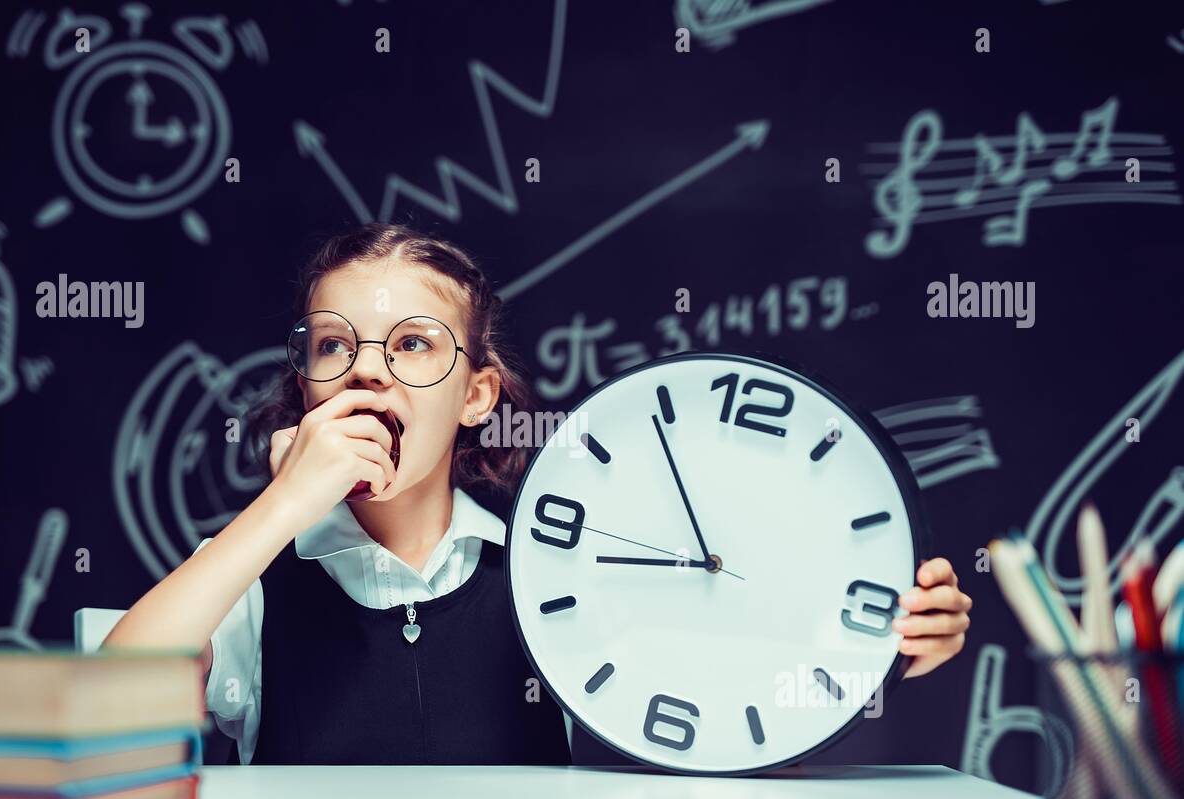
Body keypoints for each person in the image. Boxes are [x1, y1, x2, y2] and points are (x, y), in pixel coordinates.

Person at [102, 222, 973, 766]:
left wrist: (886, 645)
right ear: (307, 384)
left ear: (476, 395)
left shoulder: (556, 567)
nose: (367, 367)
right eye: (335, 347)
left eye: (411, 345)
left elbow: (741, 648)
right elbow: (112, 700)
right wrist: (285, 507)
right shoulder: (252, 574)